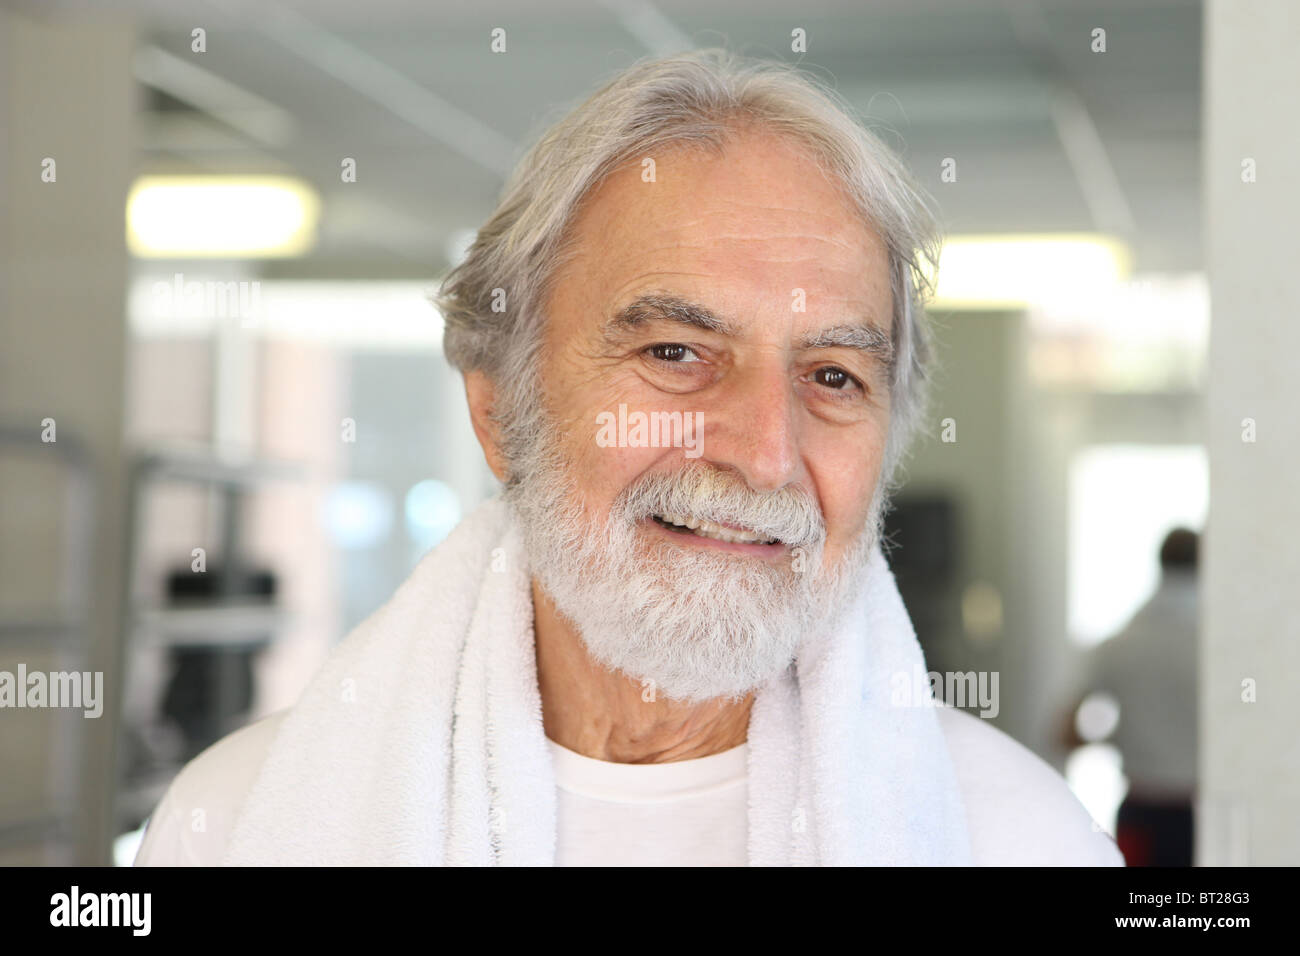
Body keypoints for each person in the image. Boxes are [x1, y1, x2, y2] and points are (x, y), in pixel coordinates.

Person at [136, 48, 1120, 866]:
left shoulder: (1020, 839)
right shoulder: (235, 826)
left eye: (830, 376)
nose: (766, 454)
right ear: (497, 413)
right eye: (676, 354)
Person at [1084, 528, 1199, 866]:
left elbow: (1067, 729)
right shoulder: (1214, 644)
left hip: (1141, 810)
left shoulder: (1121, 641)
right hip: (1197, 811)